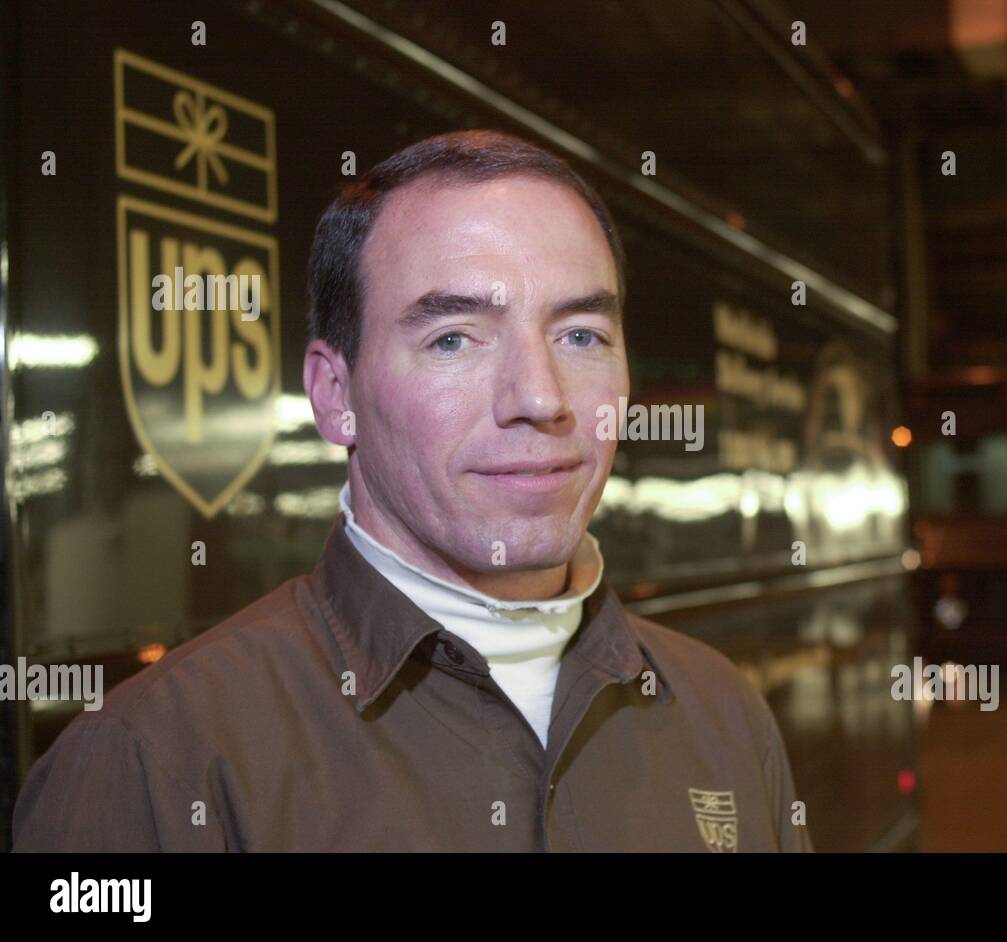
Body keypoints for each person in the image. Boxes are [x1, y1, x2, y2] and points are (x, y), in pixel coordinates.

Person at [12, 129, 812, 852]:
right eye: (453, 338)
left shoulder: (724, 715)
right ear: (334, 395)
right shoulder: (152, 763)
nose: (539, 397)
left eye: (580, 335)